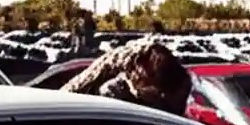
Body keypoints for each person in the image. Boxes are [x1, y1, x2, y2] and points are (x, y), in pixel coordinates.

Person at [62, 39, 192, 115]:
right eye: (149, 91)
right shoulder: (120, 60)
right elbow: (81, 82)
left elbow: (177, 119)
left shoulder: (181, 81)